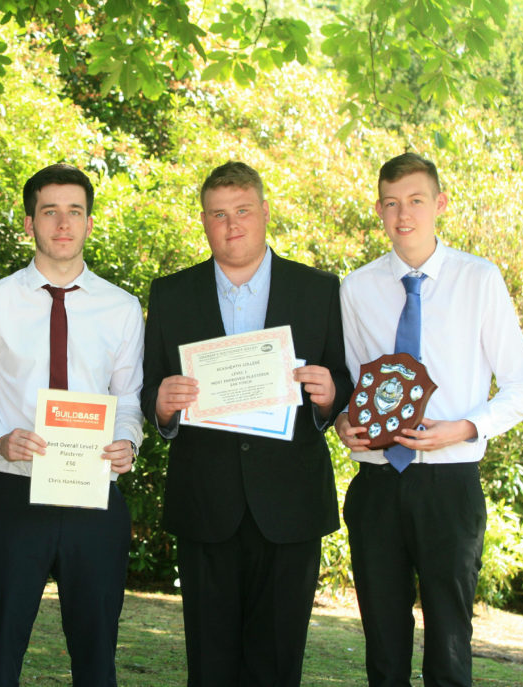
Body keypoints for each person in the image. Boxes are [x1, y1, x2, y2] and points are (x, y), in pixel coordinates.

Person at [141, 161, 352, 686]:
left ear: (263, 212)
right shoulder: (170, 294)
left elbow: (343, 379)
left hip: (291, 507)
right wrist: (162, 405)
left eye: (242, 211)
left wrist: (330, 397)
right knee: (208, 666)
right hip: (205, 503)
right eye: (218, 215)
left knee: (278, 666)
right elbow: (150, 388)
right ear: (204, 221)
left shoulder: (320, 290)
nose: (231, 225)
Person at [335, 152, 523, 686]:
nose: (404, 215)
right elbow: (355, 386)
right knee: (383, 648)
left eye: (416, 201)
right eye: (391, 203)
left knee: (450, 647)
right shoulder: (356, 288)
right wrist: (342, 422)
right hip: (377, 483)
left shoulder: (479, 279)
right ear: (379, 210)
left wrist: (466, 428)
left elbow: (522, 388)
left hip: (451, 484)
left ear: (440, 204)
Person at [0, 163, 144, 687]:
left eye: (75, 212)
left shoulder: (122, 308)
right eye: (50, 212)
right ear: (29, 223)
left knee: (96, 658)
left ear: (89, 223)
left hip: (96, 500)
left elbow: (127, 397)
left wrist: (128, 439)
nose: (63, 224)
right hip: (15, 496)